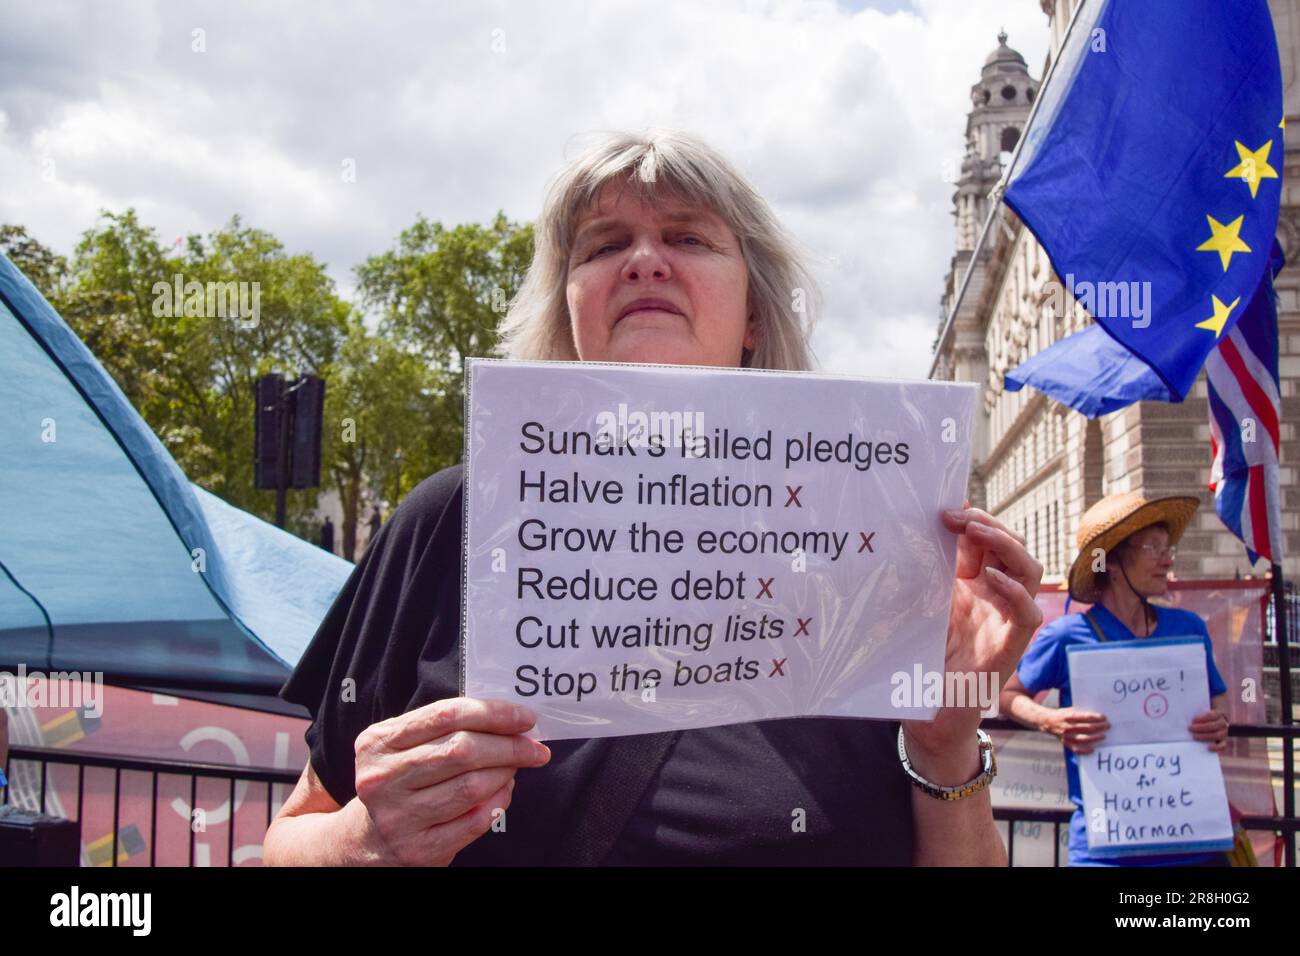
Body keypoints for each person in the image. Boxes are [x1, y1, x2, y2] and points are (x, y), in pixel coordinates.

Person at [264, 129, 1044, 866]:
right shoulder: (450, 523)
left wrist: (946, 744)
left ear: (754, 318)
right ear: (567, 311)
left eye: (688, 238)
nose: (644, 262)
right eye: (604, 245)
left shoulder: (875, 546)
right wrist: (365, 839)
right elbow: (292, 837)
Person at [1000, 491, 1231, 866]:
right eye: (1153, 547)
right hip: (1106, 850)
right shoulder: (1066, 635)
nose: (1167, 559)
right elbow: (1009, 694)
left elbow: (1218, 696)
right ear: (1114, 561)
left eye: (1167, 547)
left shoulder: (1188, 627)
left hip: (1197, 845)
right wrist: (1050, 719)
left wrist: (1221, 719)